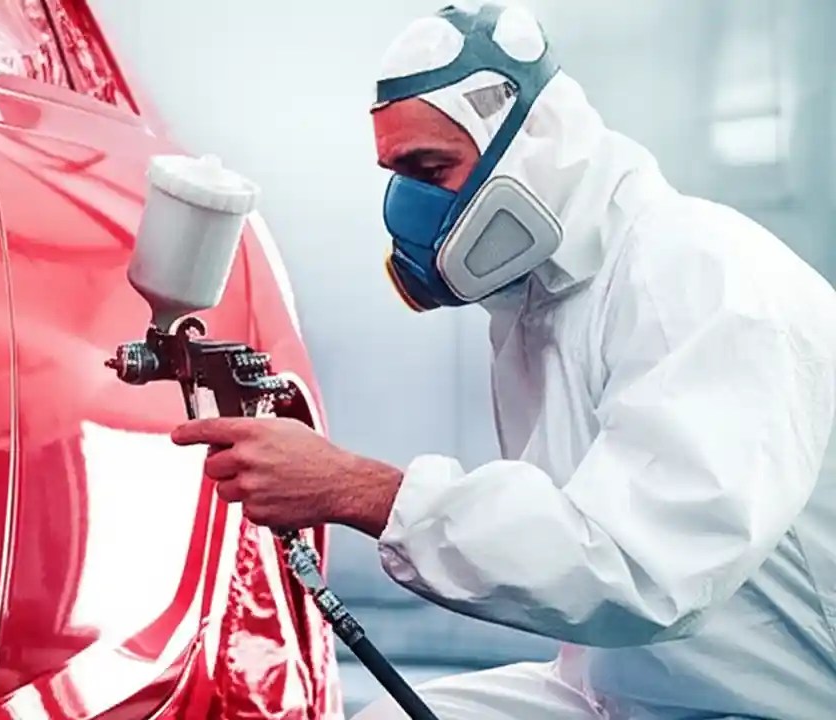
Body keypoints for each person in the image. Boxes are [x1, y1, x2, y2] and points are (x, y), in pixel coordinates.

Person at [170, 3, 836, 718]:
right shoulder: (540, 307)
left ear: (531, 146)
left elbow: (638, 570)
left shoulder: (700, 274)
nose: (410, 208)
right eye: (399, 176)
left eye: (431, 169)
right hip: (623, 692)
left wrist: (357, 490)